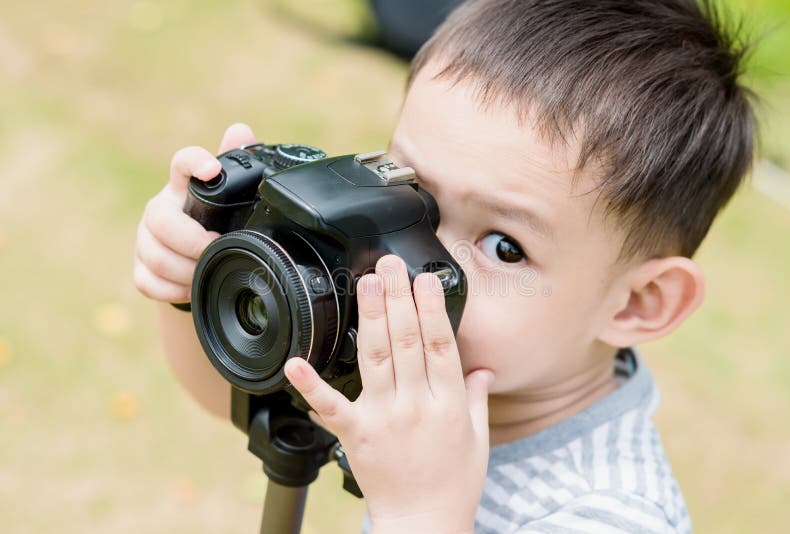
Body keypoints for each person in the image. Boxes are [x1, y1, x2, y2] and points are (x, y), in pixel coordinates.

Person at [133, 0, 756, 531]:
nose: (412, 266)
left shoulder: (609, 513)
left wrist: (422, 511)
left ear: (637, 303)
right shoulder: (417, 358)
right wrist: (199, 284)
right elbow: (237, 397)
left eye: (504, 247)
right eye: (411, 197)